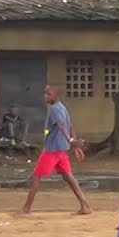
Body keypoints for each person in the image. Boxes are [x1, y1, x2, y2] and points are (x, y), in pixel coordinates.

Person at [21, 85, 92, 215]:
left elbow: (61, 125)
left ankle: (26, 208)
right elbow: (70, 126)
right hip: (61, 150)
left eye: (48, 94)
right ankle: (85, 205)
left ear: (55, 95)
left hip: (52, 150)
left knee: (36, 177)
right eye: (45, 93)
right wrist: (73, 143)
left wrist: (71, 141)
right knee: (69, 178)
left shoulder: (54, 109)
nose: (45, 96)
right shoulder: (62, 108)